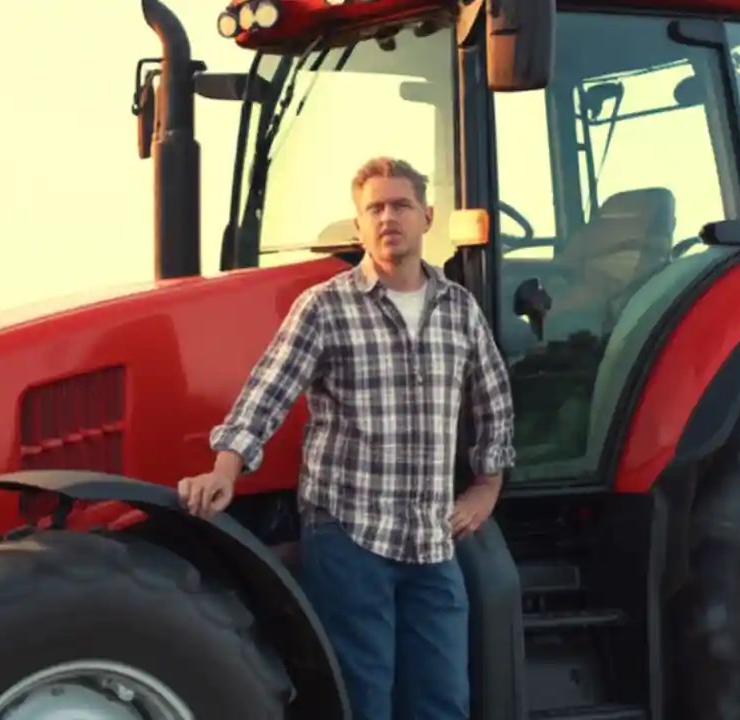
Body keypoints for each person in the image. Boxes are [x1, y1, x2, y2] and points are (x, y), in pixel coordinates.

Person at [178, 156, 515, 720]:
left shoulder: (458, 308)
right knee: (361, 700)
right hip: (350, 535)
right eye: (374, 208)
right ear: (358, 225)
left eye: (400, 205)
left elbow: (493, 400)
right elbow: (269, 390)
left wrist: (486, 487)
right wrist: (225, 469)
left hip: (432, 541)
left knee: (443, 703)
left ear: (427, 216)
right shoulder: (326, 307)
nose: (389, 218)